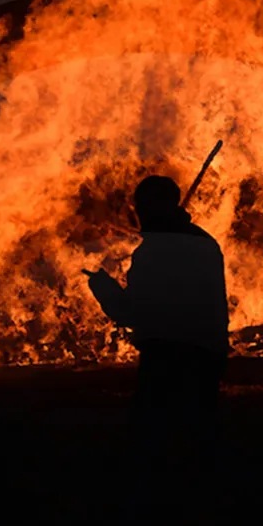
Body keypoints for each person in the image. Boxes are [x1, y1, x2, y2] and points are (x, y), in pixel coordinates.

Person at [84, 174, 230, 446]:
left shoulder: (152, 251)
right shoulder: (207, 245)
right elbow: (217, 305)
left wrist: (102, 286)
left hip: (164, 358)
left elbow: (131, 312)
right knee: (200, 435)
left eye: (142, 208)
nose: (140, 215)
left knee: (154, 436)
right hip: (206, 355)